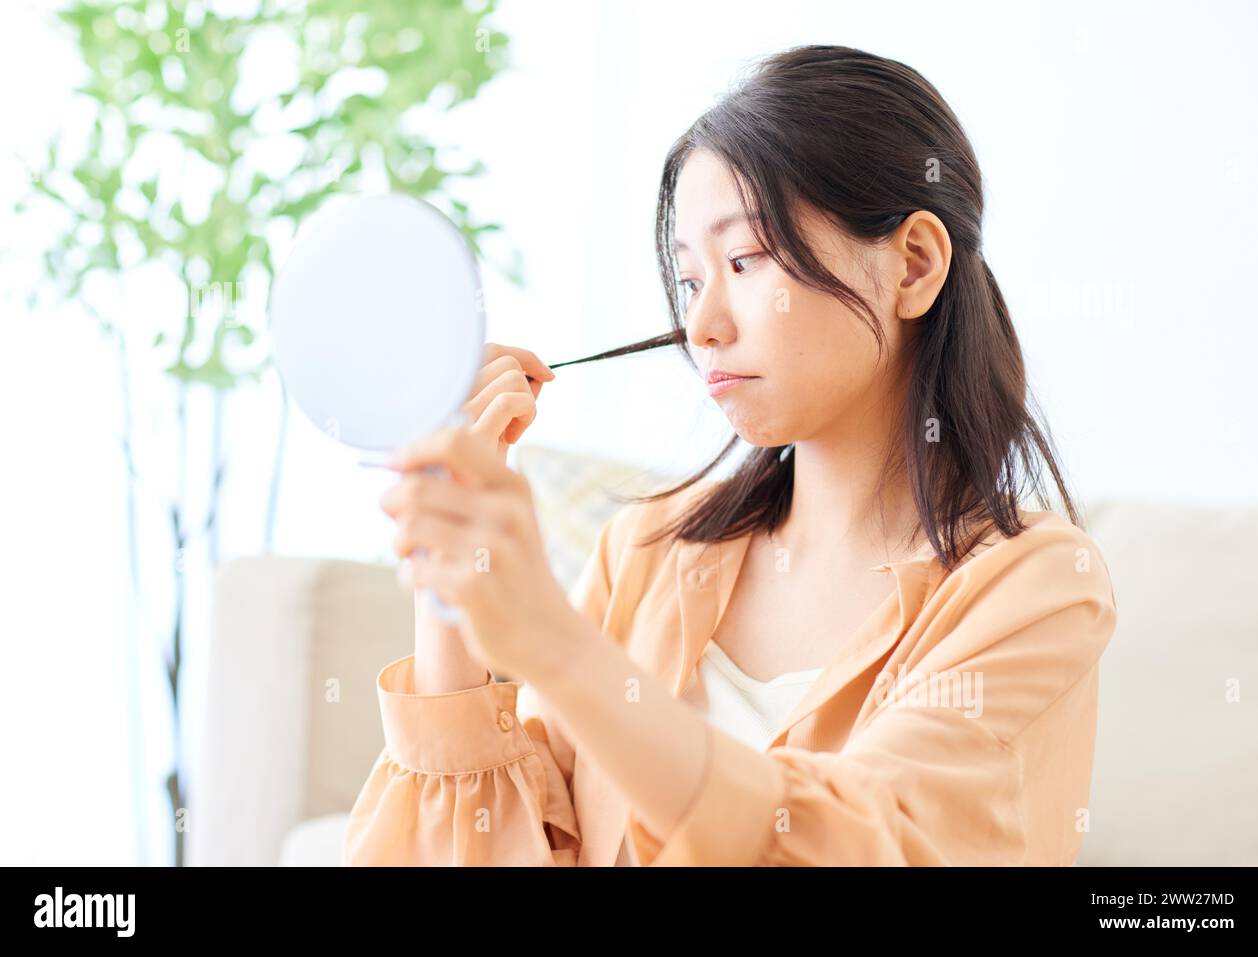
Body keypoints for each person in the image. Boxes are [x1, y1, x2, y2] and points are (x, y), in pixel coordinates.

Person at [342, 44, 1117, 866]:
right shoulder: (645, 552)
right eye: (687, 280)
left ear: (914, 265)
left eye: (744, 261)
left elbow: (859, 841)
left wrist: (553, 645)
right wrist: (450, 585)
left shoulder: (1037, 587)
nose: (702, 325)